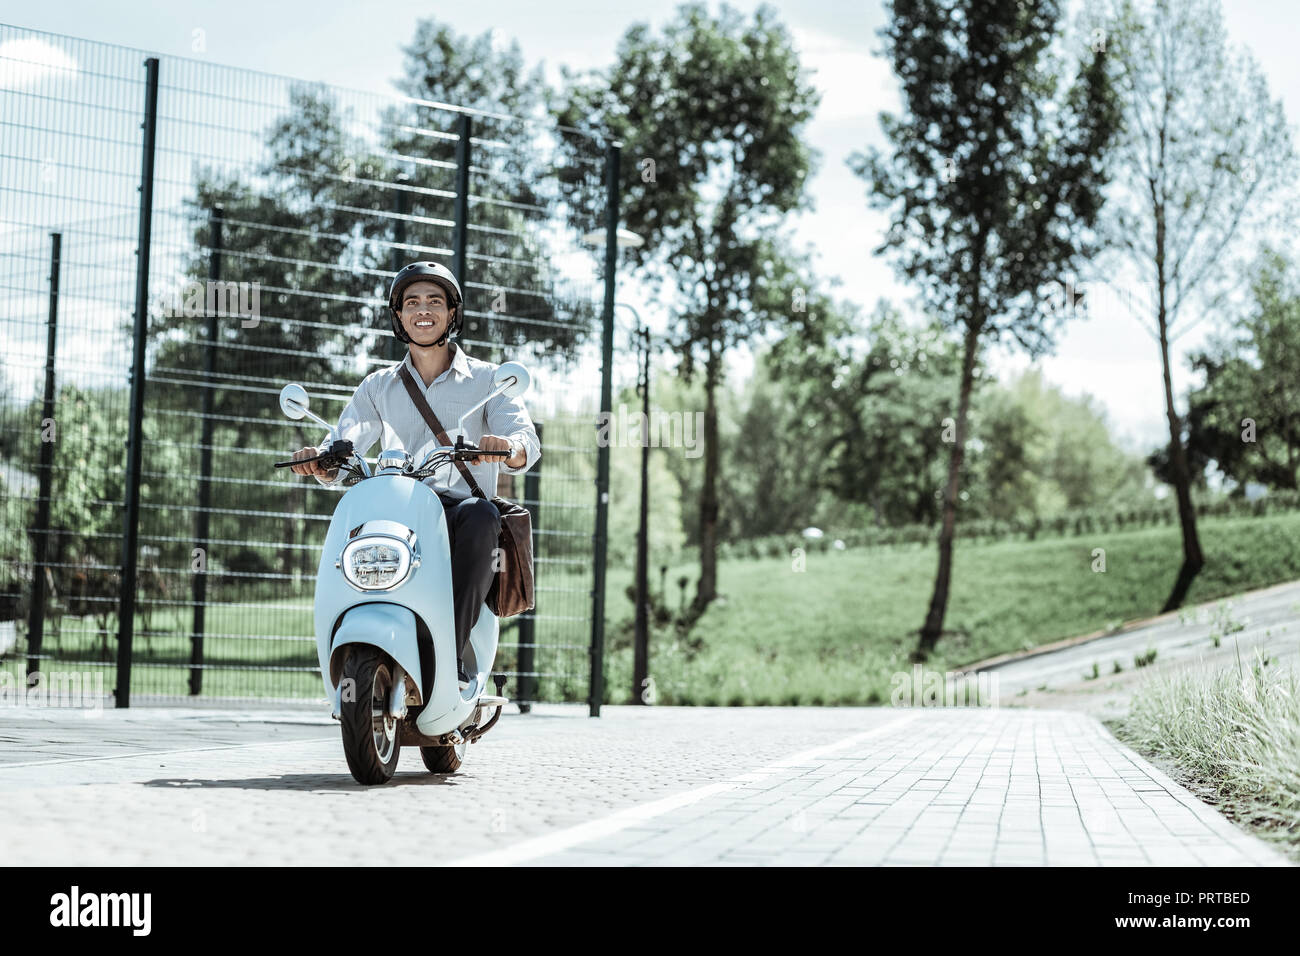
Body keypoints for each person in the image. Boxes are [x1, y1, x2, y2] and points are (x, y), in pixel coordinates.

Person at [289, 261, 540, 692]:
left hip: (458, 512)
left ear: (452, 314)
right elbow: (344, 443)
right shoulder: (378, 386)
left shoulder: (487, 381)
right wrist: (321, 458)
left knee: (482, 515)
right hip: (399, 507)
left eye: (435, 302)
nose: (423, 310)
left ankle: (452, 656)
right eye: (412, 302)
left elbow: (524, 440)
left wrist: (509, 448)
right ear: (400, 316)